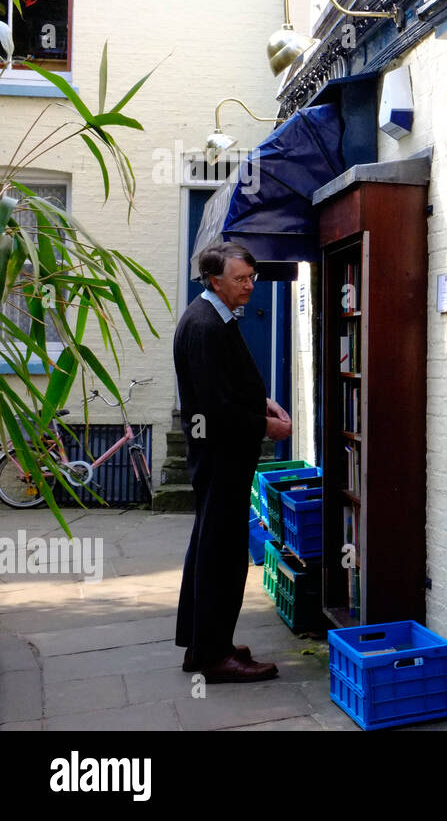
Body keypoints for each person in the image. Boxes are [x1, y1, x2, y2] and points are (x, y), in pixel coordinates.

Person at [174, 242, 292, 682]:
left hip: (219, 453)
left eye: (252, 277)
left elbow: (224, 384)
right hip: (221, 455)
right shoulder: (206, 325)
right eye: (240, 279)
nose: (249, 286)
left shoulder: (213, 316)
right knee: (222, 555)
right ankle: (214, 657)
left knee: (209, 547)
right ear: (214, 280)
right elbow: (215, 406)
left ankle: (204, 644)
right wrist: (266, 426)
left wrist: (261, 401)